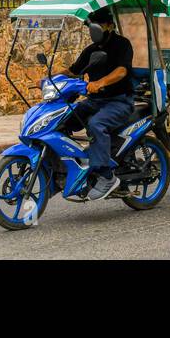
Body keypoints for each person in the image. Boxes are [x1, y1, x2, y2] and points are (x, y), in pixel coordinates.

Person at [64, 12, 135, 201]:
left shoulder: (122, 45)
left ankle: (106, 176)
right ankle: (71, 163)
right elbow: (72, 71)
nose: (94, 30)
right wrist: (50, 78)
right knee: (64, 119)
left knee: (96, 124)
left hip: (119, 101)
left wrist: (101, 82)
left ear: (110, 26)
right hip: (95, 101)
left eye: (99, 25)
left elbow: (121, 71)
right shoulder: (91, 50)